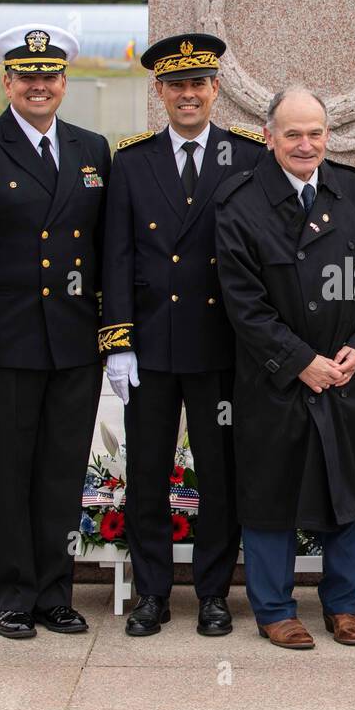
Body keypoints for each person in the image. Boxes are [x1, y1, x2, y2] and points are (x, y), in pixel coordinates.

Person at [0, 24, 111, 640]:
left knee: (62, 473)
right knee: (8, 472)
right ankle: (11, 593)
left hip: (73, 342)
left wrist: (112, 336)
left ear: (64, 82)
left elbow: (103, 250)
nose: (39, 86)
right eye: (27, 76)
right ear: (7, 82)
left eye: (50, 76)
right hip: (1, 344)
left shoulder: (93, 150)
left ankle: (55, 594)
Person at [99, 33, 264, 637]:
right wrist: (118, 340)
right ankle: (152, 595)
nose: (187, 94)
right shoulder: (132, 159)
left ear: (216, 90)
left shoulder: (246, 155)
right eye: (176, 85)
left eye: (198, 84)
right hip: (153, 348)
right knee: (147, 472)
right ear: (159, 92)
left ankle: (215, 594)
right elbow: (115, 256)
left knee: (220, 474)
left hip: (222, 348)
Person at [215, 88, 355, 650]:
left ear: (327, 135)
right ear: (269, 136)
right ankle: (273, 608)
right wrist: (299, 362)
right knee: (271, 494)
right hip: (274, 378)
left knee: (345, 493)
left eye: (315, 132)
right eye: (293, 133)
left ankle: (343, 605)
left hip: (343, 373)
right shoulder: (239, 201)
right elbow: (244, 304)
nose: (305, 144)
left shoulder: (353, 189)